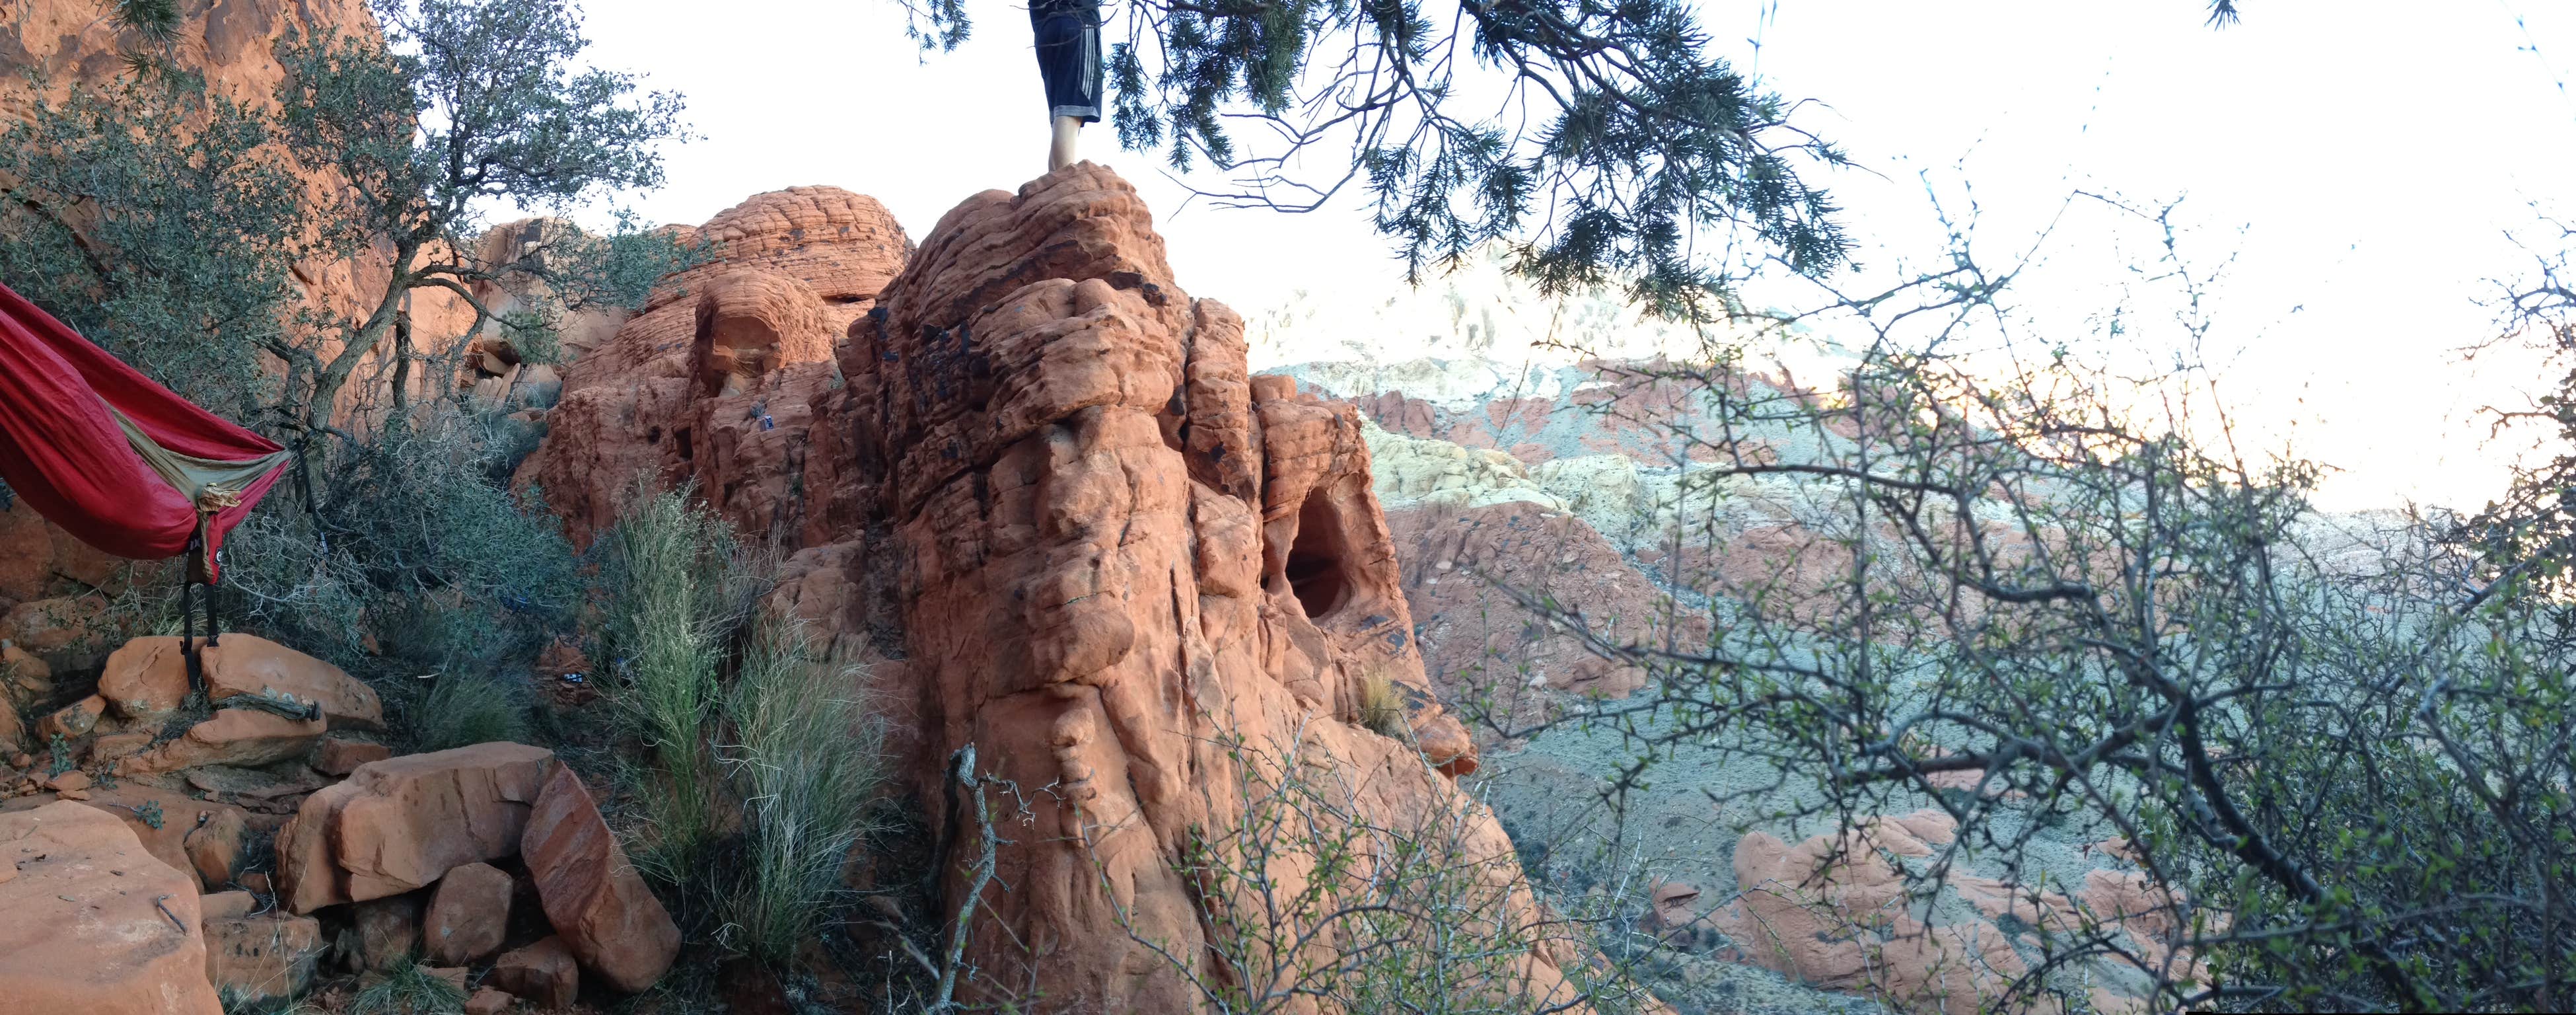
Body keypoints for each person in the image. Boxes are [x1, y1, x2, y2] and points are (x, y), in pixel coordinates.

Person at [1030, 0, 1103, 171]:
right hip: (1079, 23)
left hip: (1045, 31)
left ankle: (1053, 184)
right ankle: (1065, 185)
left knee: (1060, 115)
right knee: (1071, 109)